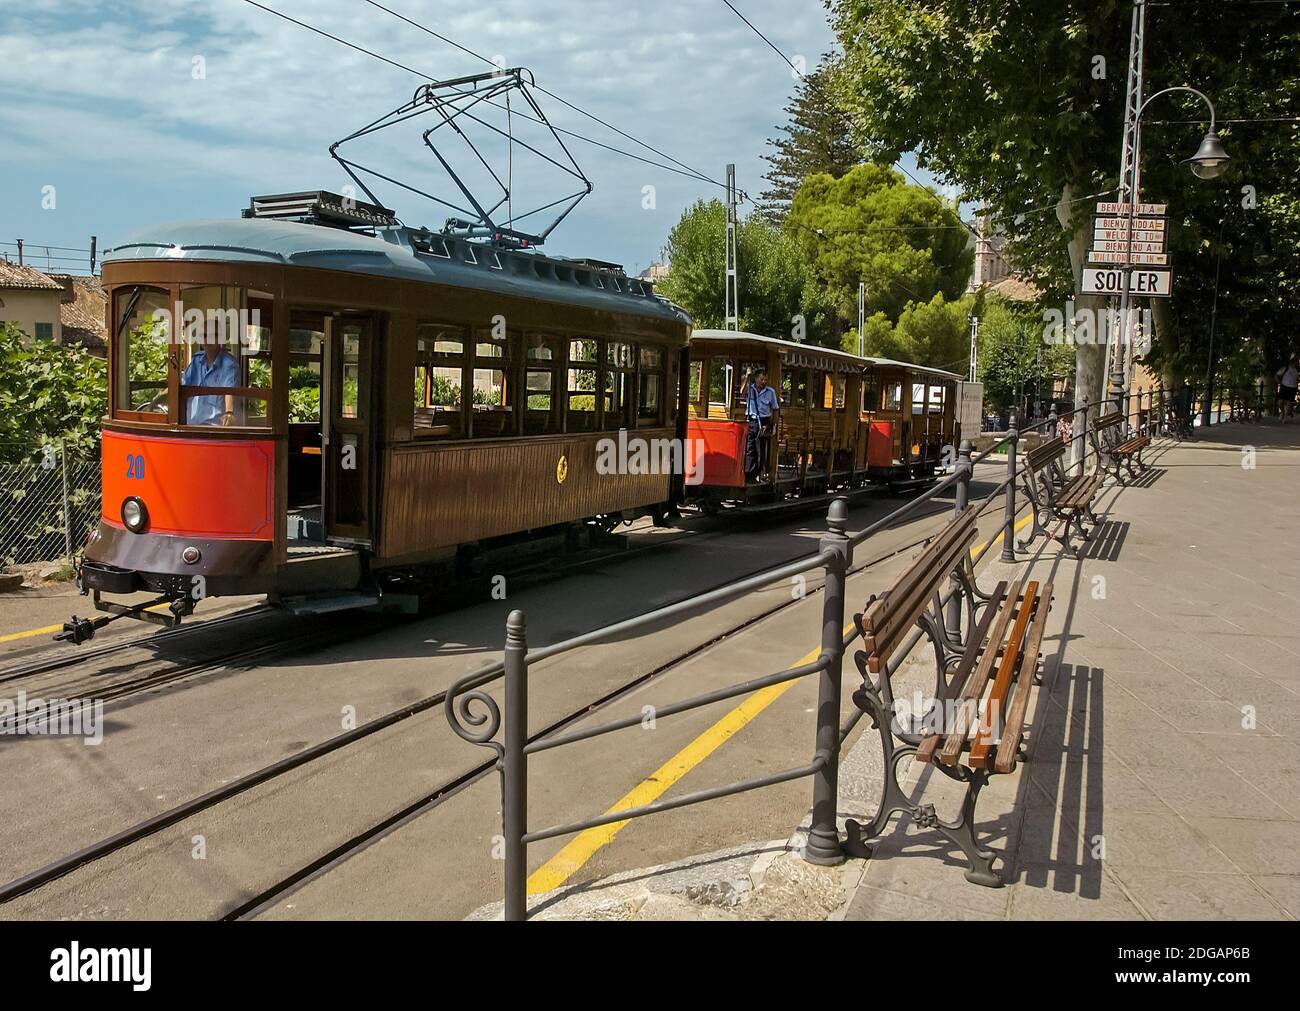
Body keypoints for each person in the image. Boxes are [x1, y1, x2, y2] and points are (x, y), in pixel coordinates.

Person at [181, 317, 240, 425]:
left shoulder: (229, 365)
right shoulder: (196, 361)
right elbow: (181, 385)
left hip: (213, 432)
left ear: (220, 338)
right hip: (190, 429)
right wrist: (159, 398)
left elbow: (229, 391)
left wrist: (229, 413)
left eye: (212, 336)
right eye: (204, 336)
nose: (207, 340)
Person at [739, 368, 779, 478]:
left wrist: (774, 425)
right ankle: (748, 473)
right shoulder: (750, 389)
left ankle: (758, 473)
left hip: (764, 421)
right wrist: (747, 377)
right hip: (751, 420)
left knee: (760, 449)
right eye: (762, 379)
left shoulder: (770, 392)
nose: (764, 382)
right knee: (749, 448)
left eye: (765, 380)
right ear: (756, 379)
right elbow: (741, 393)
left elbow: (775, 408)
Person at [1277, 353, 1298, 423]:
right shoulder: (1285, 368)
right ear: (1292, 362)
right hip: (1284, 386)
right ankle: (1282, 412)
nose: (1296, 364)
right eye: (1295, 362)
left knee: (1289, 403)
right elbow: (1277, 375)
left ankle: (1285, 417)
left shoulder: (1296, 371)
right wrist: (1279, 382)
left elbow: (1297, 379)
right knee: (1280, 402)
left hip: (1292, 388)